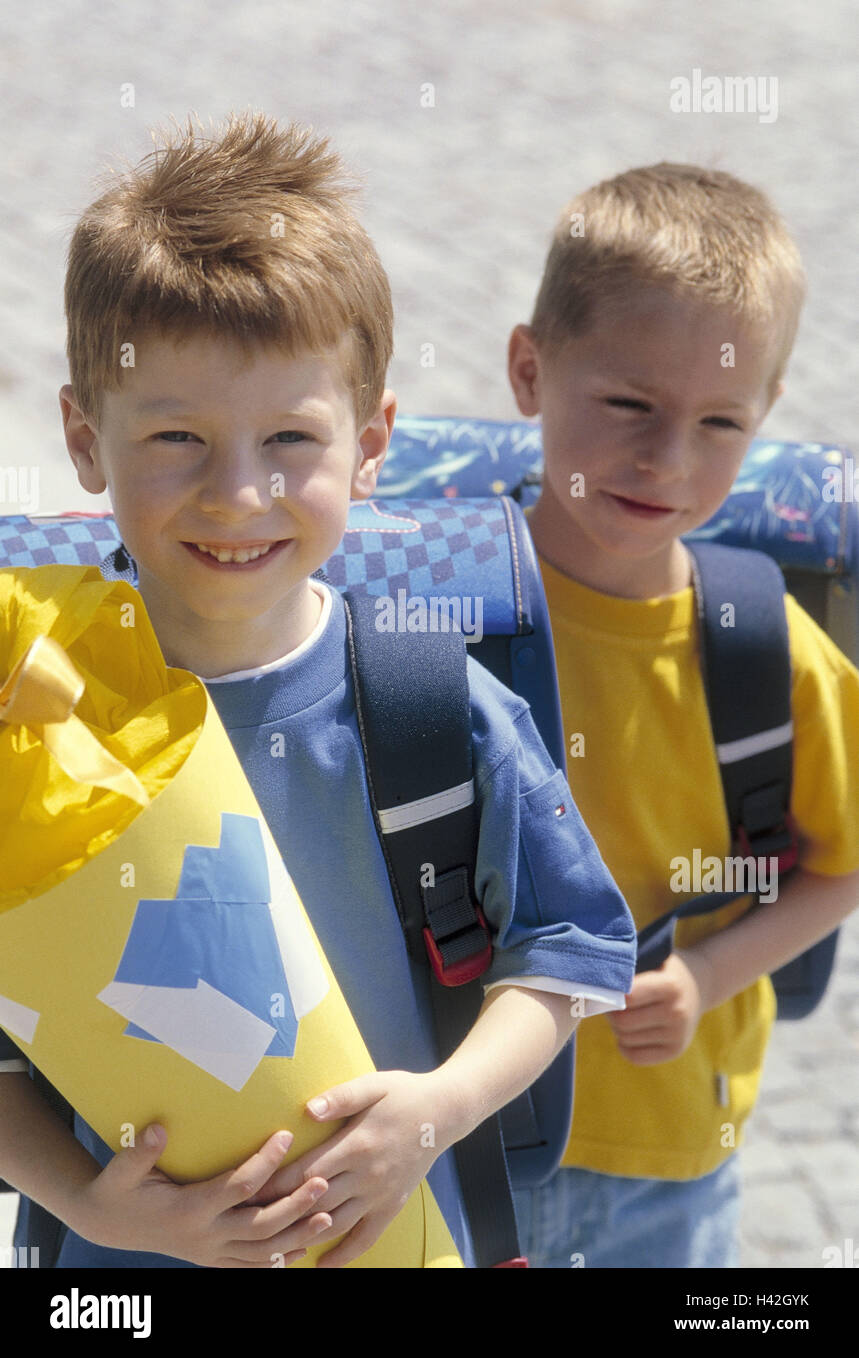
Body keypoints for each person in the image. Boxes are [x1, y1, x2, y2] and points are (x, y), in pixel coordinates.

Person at [0, 112, 636, 1269]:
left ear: (373, 441)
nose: (238, 495)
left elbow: (571, 948)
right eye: (178, 435)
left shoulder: (428, 707)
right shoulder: (35, 718)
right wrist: (92, 1208)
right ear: (85, 439)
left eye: (291, 436)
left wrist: (435, 1110)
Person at [506, 161, 859, 1268]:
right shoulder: (435, 611)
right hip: (457, 1146)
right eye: (627, 404)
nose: (667, 458)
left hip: (669, 1168)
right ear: (529, 368)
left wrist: (709, 975)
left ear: (765, 415)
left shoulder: (764, 648)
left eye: (719, 421)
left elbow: (840, 861)